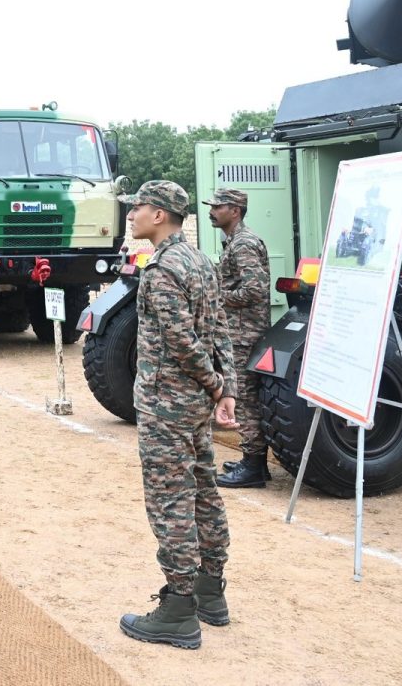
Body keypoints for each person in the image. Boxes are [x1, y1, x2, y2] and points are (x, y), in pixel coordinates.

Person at [116, 180, 237, 650]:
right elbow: (220, 328)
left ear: (161, 214)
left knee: (171, 500)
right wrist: (223, 387)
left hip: (168, 402)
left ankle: (179, 609)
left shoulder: (163, 268)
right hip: (194, 405)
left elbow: (182, 341)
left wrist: (212, 382)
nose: (133, 215)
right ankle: (211, 590)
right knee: (204, 490)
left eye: (139, 208)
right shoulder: (201, 261)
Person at [206, 189, 273, 490]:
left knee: (244, 399)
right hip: (238, 330)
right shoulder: (233, 241)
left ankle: (255, 466)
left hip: (245, 332)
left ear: (235, 211)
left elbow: (255, 290)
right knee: (242, 396)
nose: (212, 211)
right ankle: (252, 461)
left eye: (217, 207)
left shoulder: (243, 243)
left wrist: (217, 297)